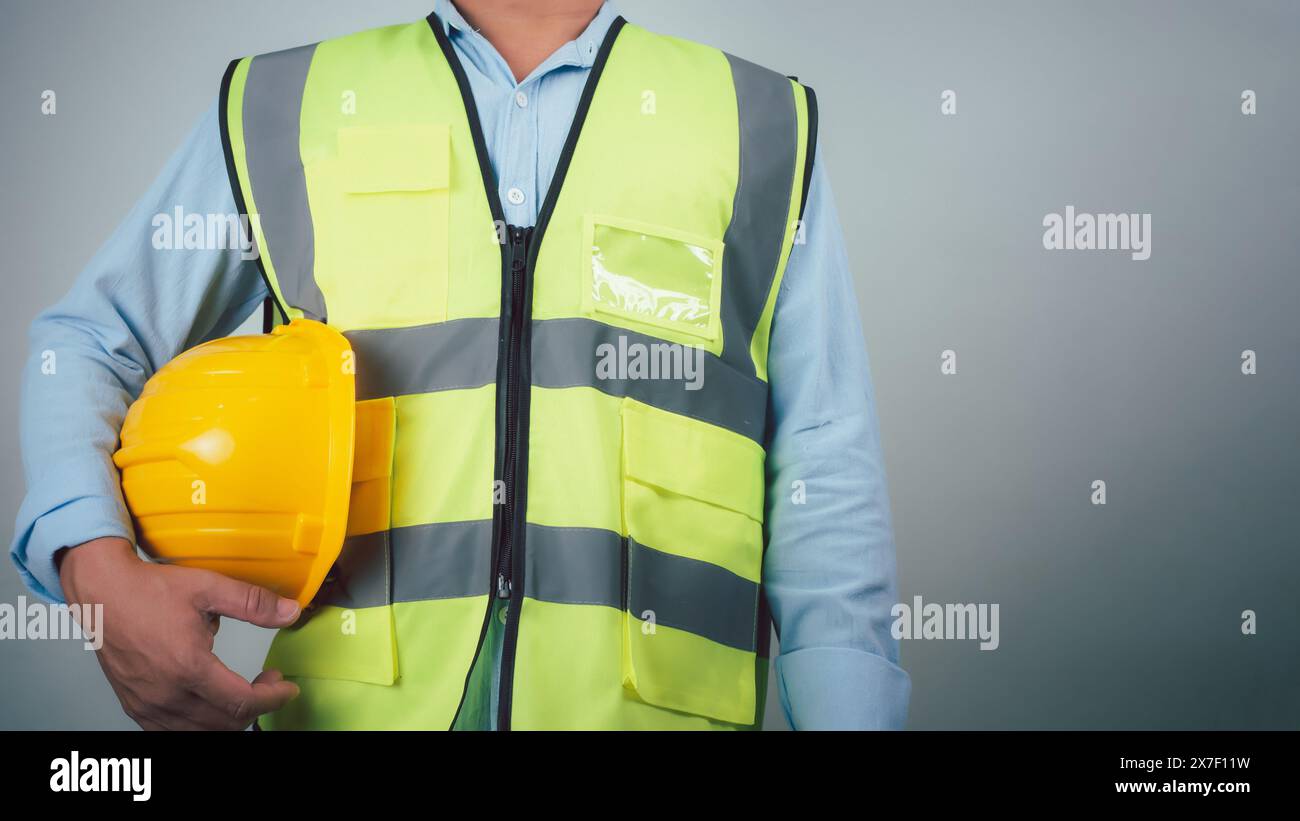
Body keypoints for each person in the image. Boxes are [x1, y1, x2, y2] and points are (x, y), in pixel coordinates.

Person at [11, 0, 909, 730]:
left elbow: (822, 458)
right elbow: (90, 342)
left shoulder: (759, 123)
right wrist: (95, 573)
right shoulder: (285, 105)